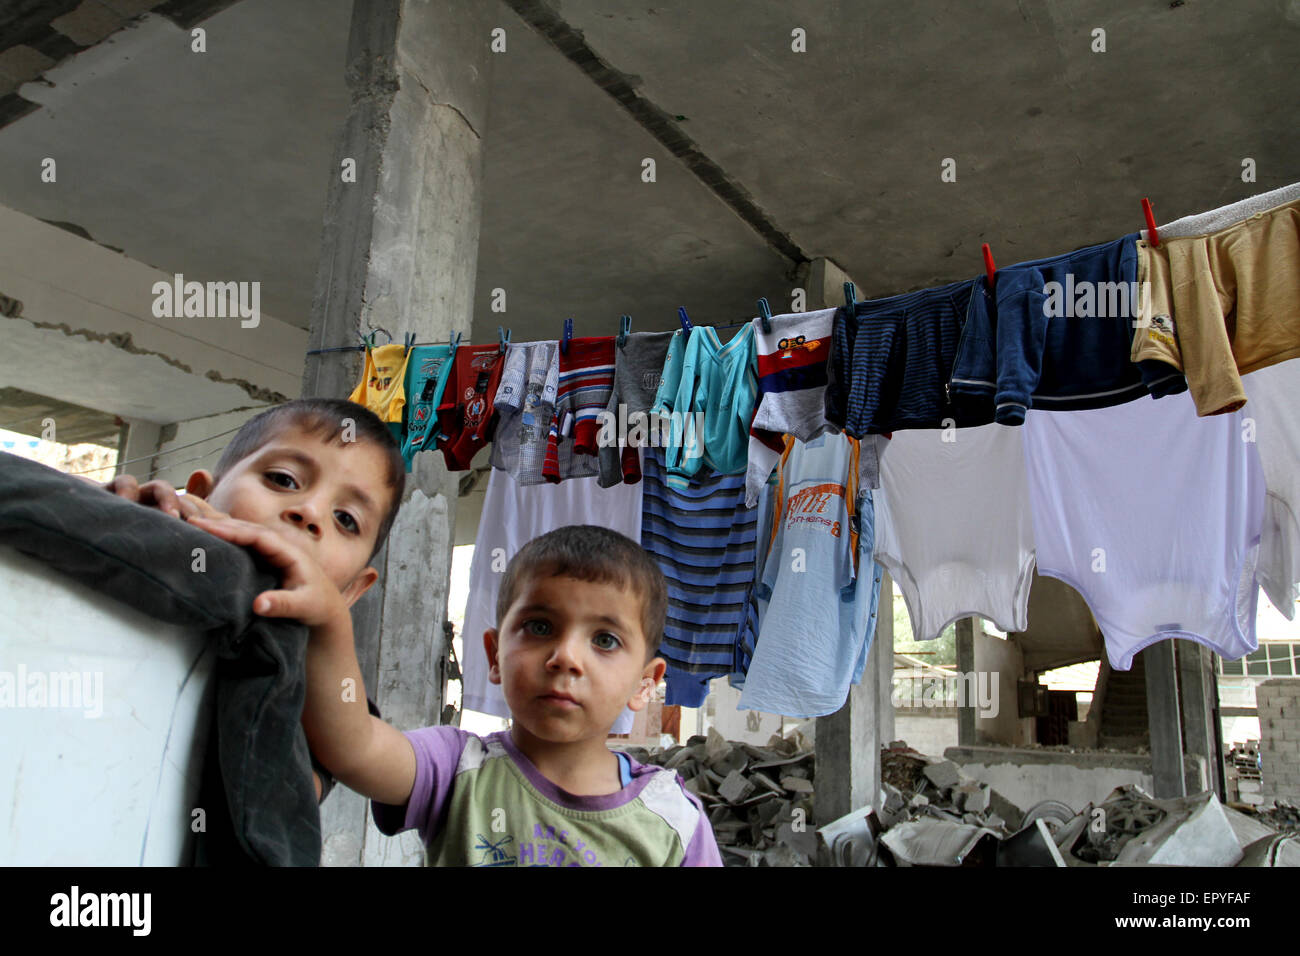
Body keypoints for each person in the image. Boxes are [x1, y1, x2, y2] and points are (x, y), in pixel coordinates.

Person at [104, 397, 406, 799]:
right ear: (201, 494)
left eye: (346, 519)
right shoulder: (132, 562)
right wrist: (118, 519)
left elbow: (292, 790)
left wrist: (330, 625)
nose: (309, 512)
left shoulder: (318, 704)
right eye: (283, 479)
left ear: (350, 591)